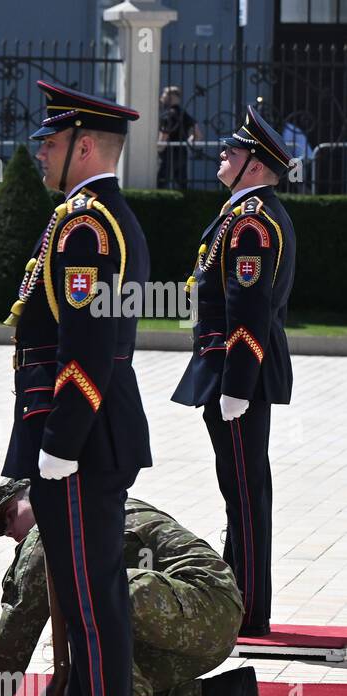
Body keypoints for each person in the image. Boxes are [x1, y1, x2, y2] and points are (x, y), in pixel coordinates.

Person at [1, 80, 152, 696]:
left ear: (84, 146)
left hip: (81, 444)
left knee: (90, 606)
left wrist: (58, 442)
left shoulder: (86, 226)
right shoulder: (97, 218)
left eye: (51, 142)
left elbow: (88, 345)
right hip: (87, 438)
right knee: (94, 600)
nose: (39, 153)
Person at [0, 479, 260, 696]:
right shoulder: (103, 500)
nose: (9, 531)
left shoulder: (50, 527)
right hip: (207, 622)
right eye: (3, 527)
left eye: (12, 514)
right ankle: (220, 695)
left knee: (85, 603)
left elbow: (18, 626)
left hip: (200, 607)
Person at [171, 105, 296, 640]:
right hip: (228, 373)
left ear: (259, 165)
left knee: (245, 491)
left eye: (235, 150)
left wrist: (236, 386)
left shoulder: (251, 223)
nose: (224, 154)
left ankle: (247, 608)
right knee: (239, 488)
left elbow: (251, 309)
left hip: (237, 375)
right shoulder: (243, 214)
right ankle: (240, 599)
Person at [156, 85, 198, 190]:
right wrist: (188, 141)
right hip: (181, 152)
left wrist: (158, 149)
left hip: (167, 154)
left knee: (162, 182)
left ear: (171, 96)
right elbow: (198, 134)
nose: (162, 97)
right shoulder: (184, 114)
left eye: (164, 94)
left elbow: (163, 137)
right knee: (181, 184)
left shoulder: (168, 115)